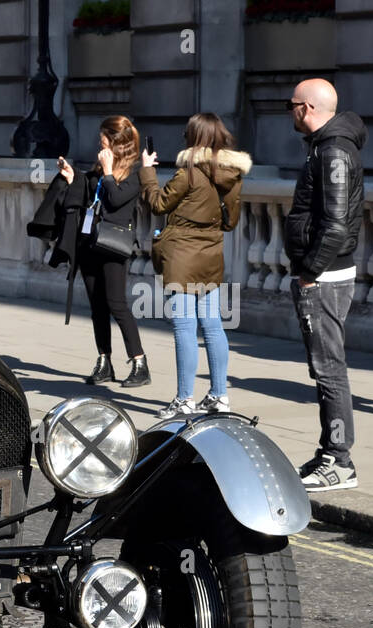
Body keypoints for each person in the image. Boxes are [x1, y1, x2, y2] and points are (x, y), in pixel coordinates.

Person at [284, 77, 368, 492]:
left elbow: (334, 226)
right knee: (325, 369)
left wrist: (309, 272)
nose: (290, 112)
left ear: (308, 109)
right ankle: (330, 452)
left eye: (292, 104)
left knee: (329, 369)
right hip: (327, 273)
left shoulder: (332, 150)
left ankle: (339, 461)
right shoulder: (327, 145)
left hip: (326, 277)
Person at [139, 113, 251, 418]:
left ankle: (185, 399)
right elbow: (231, 222)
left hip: (181, 257)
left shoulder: (188, 173)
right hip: (211, 254)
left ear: (193, 137)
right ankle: (219, 396)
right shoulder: (233, 175)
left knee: (185, 326)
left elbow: (158, 204)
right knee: (213, 326)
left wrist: (147, 171)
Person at [56, 115, 150, 387]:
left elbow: (118, 199)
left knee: (117, 304)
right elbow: (88, 195)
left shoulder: (134, 173)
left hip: (113, 246)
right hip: (89, 242)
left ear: (116, 143)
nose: (100, 145)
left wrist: (108, 172)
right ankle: (104, 361)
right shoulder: (100, 169)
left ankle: (140, 363)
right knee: (97, 307)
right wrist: (72, 176)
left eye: (104, 140)